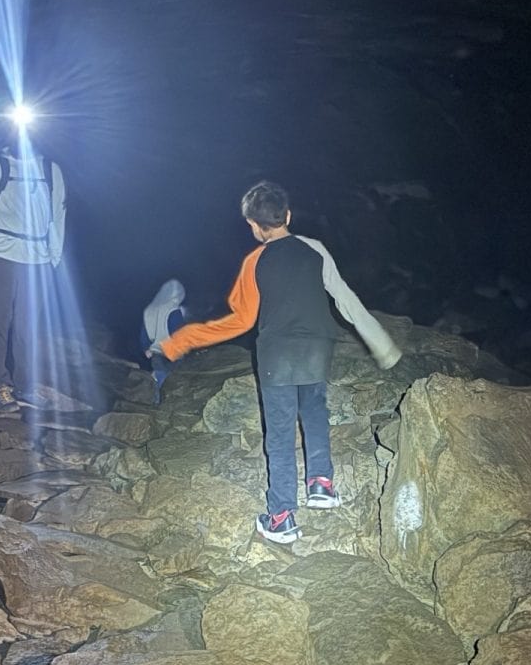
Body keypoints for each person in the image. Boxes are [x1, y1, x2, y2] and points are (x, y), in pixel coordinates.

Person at [150, 181, 401, 543]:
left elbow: (240, 321)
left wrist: (177, 343)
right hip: (318, 347)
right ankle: (321, 484)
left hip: (278, 355)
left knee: (281, 433)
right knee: (315, 411)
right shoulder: (316, 249)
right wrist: (384, 347)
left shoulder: (254, 262)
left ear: (253, 225)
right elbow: (346, 299)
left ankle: (282, 515)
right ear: (288, 215)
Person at [0, 123, 66, 411]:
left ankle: (25, 385)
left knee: (28, 326)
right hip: (1, 256)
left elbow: (58, 216)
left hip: (36, 261)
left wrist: (54, 257)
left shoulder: (51, 170)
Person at [140, 278, 188, 402]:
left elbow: (144, 330)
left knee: (160, 379)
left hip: (155, 351)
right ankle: (170, 405)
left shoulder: (150, 309)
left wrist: (146, 347)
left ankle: (156, 403)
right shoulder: (173, 309)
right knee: (174, 379)